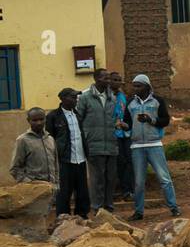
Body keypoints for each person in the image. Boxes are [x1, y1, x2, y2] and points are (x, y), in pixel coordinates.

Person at [125, 74, 181, 220]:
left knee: (164, 178)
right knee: (138, 182)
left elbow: (165, 121)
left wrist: (151, 120)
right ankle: (138, 212)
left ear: (147, 86)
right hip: (137, 146)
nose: (135, 88)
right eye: (134, 85)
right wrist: (123, 125)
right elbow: (128, 123)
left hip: (154, 144)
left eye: (139, 85)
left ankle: (174, 207)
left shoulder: (158, 101)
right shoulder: (130, 103)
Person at [76, 68, 118, 213]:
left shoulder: (112, 97)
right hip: (93, 144)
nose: (108, 81)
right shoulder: (85, 97)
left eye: (109, 78)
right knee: (97, 179)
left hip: (111, 143)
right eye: (105, 78)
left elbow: (114, 117)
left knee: (111, 178)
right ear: (96, 79)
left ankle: (108, 207)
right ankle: (97, 207)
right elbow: (78, 120)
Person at [46, 88, 89, 217]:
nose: (75, 100)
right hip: (64, 159)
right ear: (62, 99)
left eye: (76, 97)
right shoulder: (53, 116)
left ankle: (82, 215)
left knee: (82, 190)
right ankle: (63, 216)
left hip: (80, 158)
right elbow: (50, 138)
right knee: (64, 191)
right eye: (72, 97)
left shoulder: (77, 115)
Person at [9, 107, 58, 185]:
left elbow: (56, 164)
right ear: (28, 121)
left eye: (41, 119)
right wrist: (30, 183)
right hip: (34, 190)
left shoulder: (50, 139)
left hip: (52, 188)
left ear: (45, 119)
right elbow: (15, 169)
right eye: (35, 120)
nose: (39, 123)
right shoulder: (23, 140)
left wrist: (56, 183)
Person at [109, 71, 134, 202]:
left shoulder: (123, 96)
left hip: (125, 133)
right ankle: (121, 190)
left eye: (119, 80)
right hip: (113, 134)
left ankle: (129, 190)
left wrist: (126, 125)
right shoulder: (106, 97)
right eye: (115, 80)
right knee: (120, 161)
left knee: (130, 160)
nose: (118, 82)